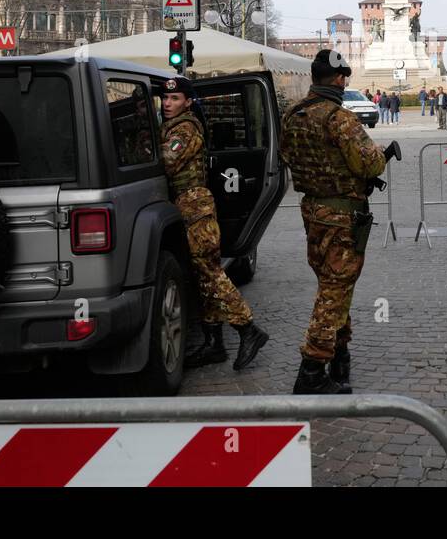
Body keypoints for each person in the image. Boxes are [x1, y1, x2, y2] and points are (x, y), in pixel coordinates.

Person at [280, 49, 398, 394]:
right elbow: (370, 165)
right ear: (340, 79)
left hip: (312, 211)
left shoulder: (292, 115)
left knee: (333, 284)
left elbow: (287, 155)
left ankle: (339, 354)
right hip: (343, 215)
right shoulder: (340, 119)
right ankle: (312, 369)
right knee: (334, 290)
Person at [159, 76, 268, 371]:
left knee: (211, 273)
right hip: (187, 208)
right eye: (165, 99)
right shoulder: (172, 127)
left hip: (195, 208)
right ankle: (213, 343)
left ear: (188, 102)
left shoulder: (185, 128)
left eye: (175, 99)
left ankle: (248, 329)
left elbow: (167, 160)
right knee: (203, 277)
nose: (168, 104)